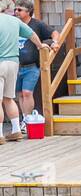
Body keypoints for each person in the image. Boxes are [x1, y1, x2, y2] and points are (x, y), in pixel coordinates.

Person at [13, 0, 58, 131]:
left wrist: (54, 42)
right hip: (16, 65)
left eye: (19, 10)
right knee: (20, 94)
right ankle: (24, 119)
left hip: (32, 66)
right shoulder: (13, 23)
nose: (16, 12)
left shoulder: (37, 25)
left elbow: (54, 33)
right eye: (15, 9)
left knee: (27, 93)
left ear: (28, 12)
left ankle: (27, 120)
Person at [0, 10, 43, 144]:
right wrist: (40, 46)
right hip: (14, 63)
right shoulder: (14, 20)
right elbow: (32, 34)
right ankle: (16, 130)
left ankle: (0, 134)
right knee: (8, 98)